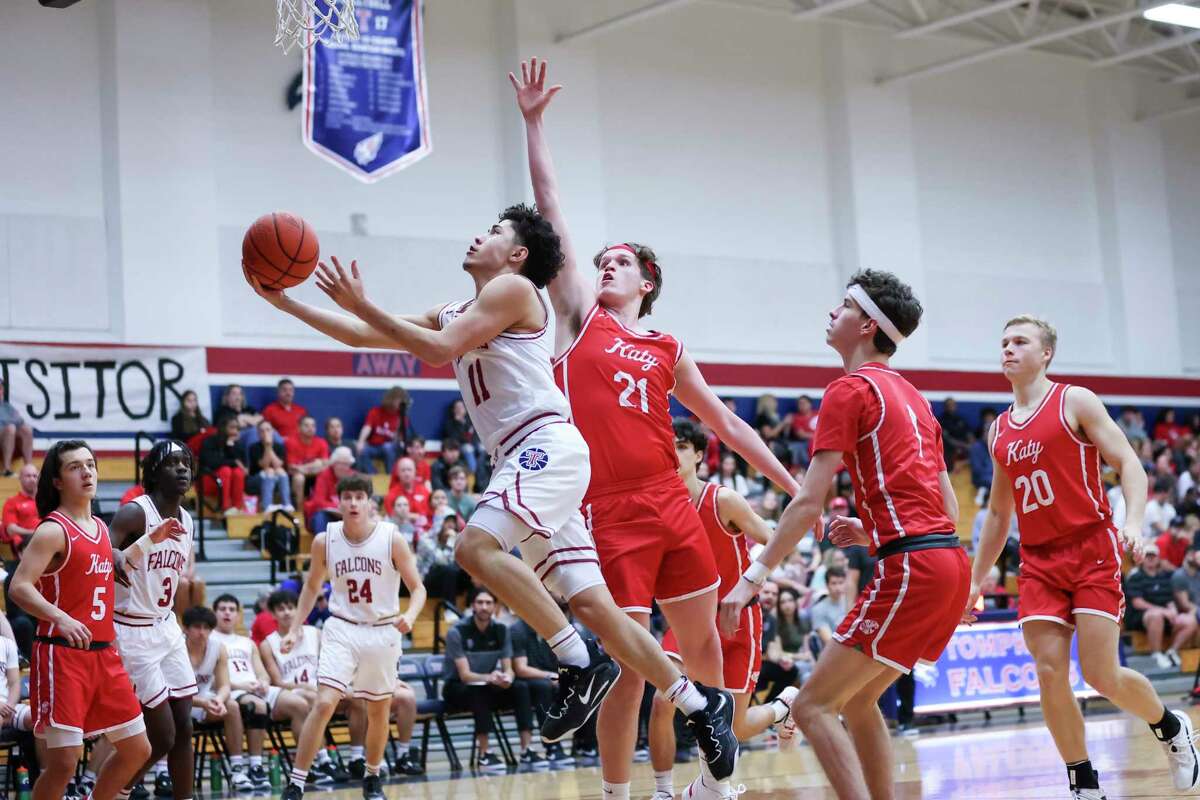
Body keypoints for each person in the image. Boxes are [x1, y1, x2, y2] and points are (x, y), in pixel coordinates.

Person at [247, 198, 740, 787]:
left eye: (494, 231)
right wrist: (287, 303)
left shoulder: (515, 290)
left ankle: (578, 659)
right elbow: (364, 334)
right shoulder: (458, 308)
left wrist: (363, 304)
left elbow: (436, 350)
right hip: (529, 458)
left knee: (473, 548)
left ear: (518, 253)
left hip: (543, 445)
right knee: (594, 607)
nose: (479, 236)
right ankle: (700, 704)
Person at [512, 58, 798, 800]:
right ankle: (617, 793)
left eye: (621, 263)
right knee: (630, 669)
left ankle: (715, 786)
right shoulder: (580, 318)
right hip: (608, 508)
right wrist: (535, 124)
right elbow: (552, 209)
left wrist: (794, 485)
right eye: (600, 261)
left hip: (669, 499)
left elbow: (725, 421)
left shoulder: (667, 346)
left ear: (647, 282)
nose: (605, 267)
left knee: (702, 648)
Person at [720, 270, 970, 800]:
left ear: (867, 325)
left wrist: (753, 576)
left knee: (812, 706)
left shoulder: (850, 389)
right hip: (945, 560)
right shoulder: (916, 398)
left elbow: (808, 502)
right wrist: (875, 529)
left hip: (914, 566)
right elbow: (948, 508)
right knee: (858, 701)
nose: (833, 312)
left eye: (845, 306)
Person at [968, 314, 1198, 799]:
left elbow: (1129, 463)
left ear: (1045, 353)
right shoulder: (999, 430)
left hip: (1090, 546)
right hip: (1038, 560)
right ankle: (1084, 782)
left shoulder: (1074, 400)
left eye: (1020, 341)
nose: (1008, 349)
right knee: (1049, 671)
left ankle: (1170, 726)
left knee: (1100, 674)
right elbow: (999, 513)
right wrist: (974, 580)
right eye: (1004, 341)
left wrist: (1132, 523)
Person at [648, 420, 800, 799]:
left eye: (682, 446)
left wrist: (750, 581)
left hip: (737, 617)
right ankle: (663, 792)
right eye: (668, 446)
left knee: (733, 726)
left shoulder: (723, 500)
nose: (674, 453)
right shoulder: (660, 507)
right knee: (661, 701)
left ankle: (783, 707)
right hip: (689, 618)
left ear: (699, 455)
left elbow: (776, 540)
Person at [9, 441, 155, 800]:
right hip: (63, 654)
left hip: (104, 655)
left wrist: (150, 541)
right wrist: (60, 618)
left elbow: (103, 575)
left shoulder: (101, 528)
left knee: (138, 750)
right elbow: (18, 586)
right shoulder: (52, 530)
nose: (87, 472)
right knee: (64, 763)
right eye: (75, 467)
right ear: (58, 481)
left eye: (90, 464)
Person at [276, 475, 426, 800]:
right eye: (348, 497)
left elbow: (418, 588)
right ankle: (296, 783)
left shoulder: (392, 538)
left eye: (360, 497)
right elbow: (311, 588)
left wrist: (411, 616)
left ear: (370, 502)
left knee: (378, 711)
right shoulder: (324, 540)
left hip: (382, 630)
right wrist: (295, 628)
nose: (354, 503)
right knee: (324, 703)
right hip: (342, 627)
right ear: (339, 502)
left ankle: (372, 775)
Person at [108, 441, 201, 800]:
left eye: (186, 463)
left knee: (184, 727)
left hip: (166, 626)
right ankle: (114, 791)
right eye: (172, 463)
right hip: (131, 630)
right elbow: (104, 549)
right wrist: (115, 554)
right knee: (162, 736)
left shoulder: (188, 520)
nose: (182, 469)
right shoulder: (135, 512)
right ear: (154, 472)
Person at [210, 594, 309, 792]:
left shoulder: (247, 642)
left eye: (232, 609)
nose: (227, 613)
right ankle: (255, 766)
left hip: (254, 688)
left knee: (300, 704)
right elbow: (209, 678)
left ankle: (307, 765)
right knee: (257, 705)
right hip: (230, 690)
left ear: (239, 615)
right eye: (222, 609)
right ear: (215, 613)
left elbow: (262, 673)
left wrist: (263, 682)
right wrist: (240, 686)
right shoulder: (209, 639)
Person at [442, 590, 549, 770]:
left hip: (488, 684)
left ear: (495, 606)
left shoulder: (501, 630)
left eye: (488, 603)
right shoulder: (457, 631)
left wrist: (507, 677)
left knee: (520, 687)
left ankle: (526, 749)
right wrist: (489, 677)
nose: (484, 607)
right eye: (480, 602)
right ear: (472, 606)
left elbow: (508, 668)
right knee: (479, 691)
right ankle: (485, 753)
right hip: (457, 688)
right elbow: (465, 675)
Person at [257, 590, 349, 785]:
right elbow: (278, 681)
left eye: (291, 607)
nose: (287, 612)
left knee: (356, 697)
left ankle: (360, 758)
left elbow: (331, 664)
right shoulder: (268, 644)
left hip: (319, 688)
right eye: (281, 609)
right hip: (291, 691)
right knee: (311, 700)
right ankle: (323, 760)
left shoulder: (315, 633)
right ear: (273, 614)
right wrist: (306, 687)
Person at [1126, 543, 1197, 669]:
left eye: (1153, 556)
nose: (1150, 558)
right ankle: (1157, 654)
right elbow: (1138, 603)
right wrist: (1163, 611)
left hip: (1164, 614)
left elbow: (1169, 600)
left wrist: (1173, 610)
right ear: (1142, 558)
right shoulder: (1135, 576)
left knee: (1190, 620)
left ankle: (1172, 651)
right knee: (1156, 615)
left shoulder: (1164, 577)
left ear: (1158, 559)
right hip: (1140, 617)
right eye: (1147, 555)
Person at [198, 415, 247, 516]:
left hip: (228, 480)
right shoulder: (210, 441)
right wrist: (232, 462)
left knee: (238, 472)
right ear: (223, 428)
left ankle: (237, 507)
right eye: (232, 427)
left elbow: (242, 466)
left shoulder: (236, 444)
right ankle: (225, 507)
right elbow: (211, 463)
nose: (235, 431)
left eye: (237, 428)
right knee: (225, 470)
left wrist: (231, 447)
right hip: (209, 479)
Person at [356, 386, 410, 475]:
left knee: (388, 447)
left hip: (391, 448)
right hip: (374, 446)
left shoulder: (402, 417)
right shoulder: (375, 411)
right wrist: (361, 442)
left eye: (401, 400)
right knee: (361, 450)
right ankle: (373, 475)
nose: (400, 402)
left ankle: (391, 476)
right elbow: (367, 427)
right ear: (390, 399)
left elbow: (401, 439)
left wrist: (398, 439)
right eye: (397, 399)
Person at [303, 447, 356, 534]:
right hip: (325, 514)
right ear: (333, 464)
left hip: (346, 514)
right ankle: (324, 541)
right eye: (340, 464)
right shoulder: (324, 476)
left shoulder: (353, 476)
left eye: (346, 464)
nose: (344, 467)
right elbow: (318, 501)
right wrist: (338, 506)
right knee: (320, 517)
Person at [248, 420, 294, 512]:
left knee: (280, 470)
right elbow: (264, 465)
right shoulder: (253, 447)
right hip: (256, 480)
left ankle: (287, 504)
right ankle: (267, 505)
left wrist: (269, 446)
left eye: (268, 430)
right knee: (269, 470)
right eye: (262, 431)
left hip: (275, 478)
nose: (265, 433)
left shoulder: (279, 446)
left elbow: (277, 465)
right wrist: (267, 446)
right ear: (258, 434)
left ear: (273, 431)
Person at [418, 515, 465, 602]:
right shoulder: (426, 539)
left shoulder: (455, 541)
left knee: (466, 573)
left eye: (454, 523)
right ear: (439, 523)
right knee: (449, 569)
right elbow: (440, 561)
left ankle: (470, 605)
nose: (451, 525)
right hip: (425, 580)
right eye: (448, 522)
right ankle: (449, 606)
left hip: (446, 580)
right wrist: (451, 542)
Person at [287, 416, 331, 507]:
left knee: (324, 471)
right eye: (306, 425)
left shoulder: (321, 442)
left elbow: (326, 465)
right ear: (299, 428)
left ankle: (321, 505)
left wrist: (303, 468)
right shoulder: (291, 442)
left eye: (313, 426)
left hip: (315, 475)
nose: (310, 428)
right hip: (296, 477)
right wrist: (314, 465)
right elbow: (291, 468)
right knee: (299, 478)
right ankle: (299, 509)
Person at [808, 567, 853, 646]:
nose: (838, 588)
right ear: (827, 585)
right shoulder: (818, 609)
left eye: (841, 583)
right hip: (834, 650)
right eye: (834, 583)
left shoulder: (852, 603)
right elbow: (829, 642)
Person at [1, 463, 39, 555]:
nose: (32, 479)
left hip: (48, 539)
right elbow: (11, 530)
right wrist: (34, 533)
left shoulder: (45, 501)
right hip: (26, 543)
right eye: (28, 476)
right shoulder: (12, 502)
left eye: (35, 476)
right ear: (20, 478)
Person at [0, 378, 34, 478]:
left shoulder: (6, 406)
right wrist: (9, 422)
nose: (0, 391)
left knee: (26, 430)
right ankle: (6, 469)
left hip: (5, 437)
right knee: (10, 428)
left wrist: (8, 422)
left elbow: (19, 421)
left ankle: (28, 467)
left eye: (1, 389)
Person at [215, 385, 265, 452]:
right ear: (227, 397)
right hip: (234, 437)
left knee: (270, 431)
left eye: (240, 394)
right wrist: (252, 420)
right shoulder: (223, 411)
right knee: (254, 431)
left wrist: (243, 418)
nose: (238, 397)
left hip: (254, 433)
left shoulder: (248, 409)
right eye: (234, 394)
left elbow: (261, 419)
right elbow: (237, 425)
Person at [384, 458, 431, 526]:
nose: (407, 473)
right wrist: (414, 516)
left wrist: (408, 516)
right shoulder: (391, 494)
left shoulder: (424, 492)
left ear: (415, 471)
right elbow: (391, 515)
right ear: (398, 473)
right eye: (403, 470)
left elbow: (429, 514)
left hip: (423, 529)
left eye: (409, 470)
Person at [442, 398, 480, 475]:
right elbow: (455, 439)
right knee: (468, 448)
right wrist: (458, 423)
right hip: (459, 446)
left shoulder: (470, 421)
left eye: (461, 407)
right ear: (453, 410)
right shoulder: (450, 424)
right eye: (457, 408)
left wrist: (471, 442)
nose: (459, 410)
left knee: (482, 448)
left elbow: (475, 435)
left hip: (473, 444)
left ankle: (482, 472)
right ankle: (472, 472)